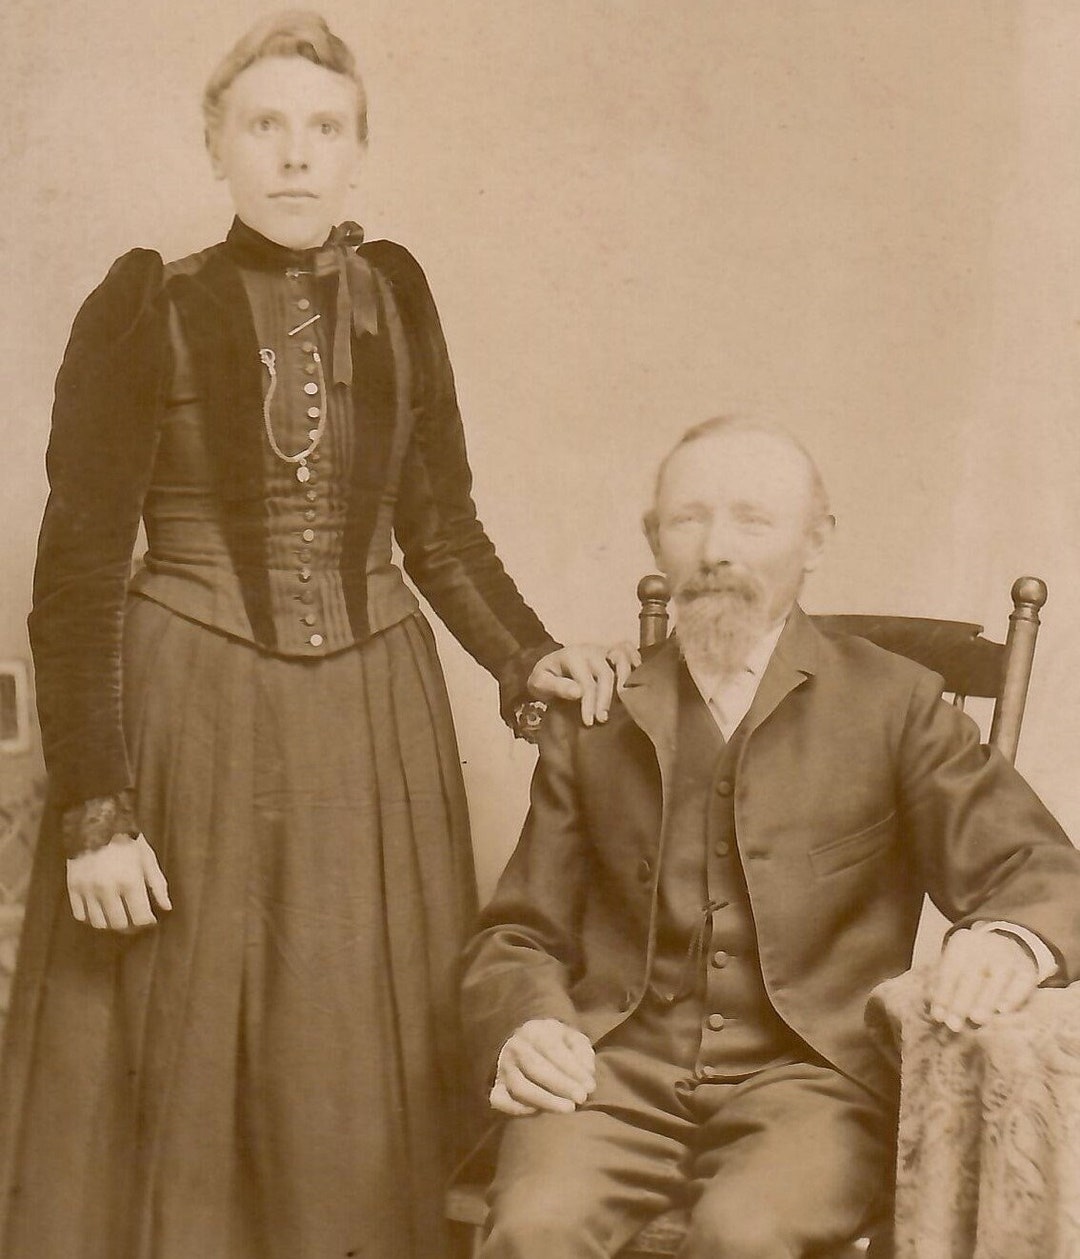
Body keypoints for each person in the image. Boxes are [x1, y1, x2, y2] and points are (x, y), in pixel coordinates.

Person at [0, 13, 631, 1259]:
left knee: (344, 1047)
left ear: (357, 155)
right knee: (183, 1048)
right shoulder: (146, 303)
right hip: (189, 715)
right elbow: (74, 573)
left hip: (370, 729)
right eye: (264, 126)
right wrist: (96, 809)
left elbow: (438, 522)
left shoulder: (396, 293)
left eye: (324, 128)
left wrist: (525, 651)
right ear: (218, 149)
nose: (295, 155)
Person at [460, 416, 1080, 1259]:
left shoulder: (894, 705)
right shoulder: (598, 713)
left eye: (753, 521)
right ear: (655, 539)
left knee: (746, 1236)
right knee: (533, 1228)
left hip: (816, 1079)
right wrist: (527, 1025)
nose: (718, 549)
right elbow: (518, 931)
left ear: (815, 540)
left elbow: (1038, 866)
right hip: (613, 1073)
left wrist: (1010, 938)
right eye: (689, 520)